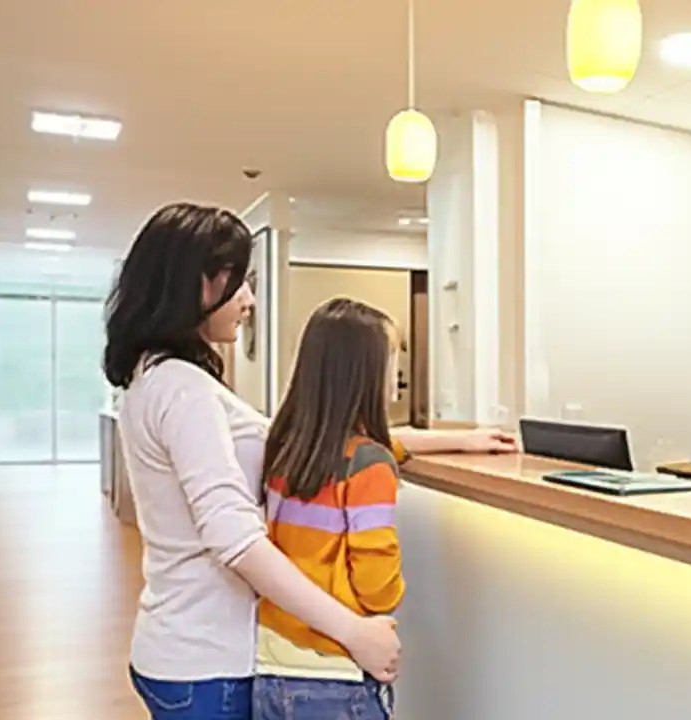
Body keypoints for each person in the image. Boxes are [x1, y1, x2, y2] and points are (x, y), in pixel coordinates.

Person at [105, 202, 515, 719]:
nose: (250, 300)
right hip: (206, 658)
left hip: (182, 646)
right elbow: (236, 540)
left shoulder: (159, 378)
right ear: (200, 285)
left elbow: (306, 435)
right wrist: (354, 632)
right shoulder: (183, 391)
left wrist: (460, 440)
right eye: (240, 282)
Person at [252, 297, 405, 719]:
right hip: (337, 677)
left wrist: (461, 440)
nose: (397, 373)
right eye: (392, 359)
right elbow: (377, 584)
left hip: (271, 664)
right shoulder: (369, 464)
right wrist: (394, 596)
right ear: (362, 373)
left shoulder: (287, 449)